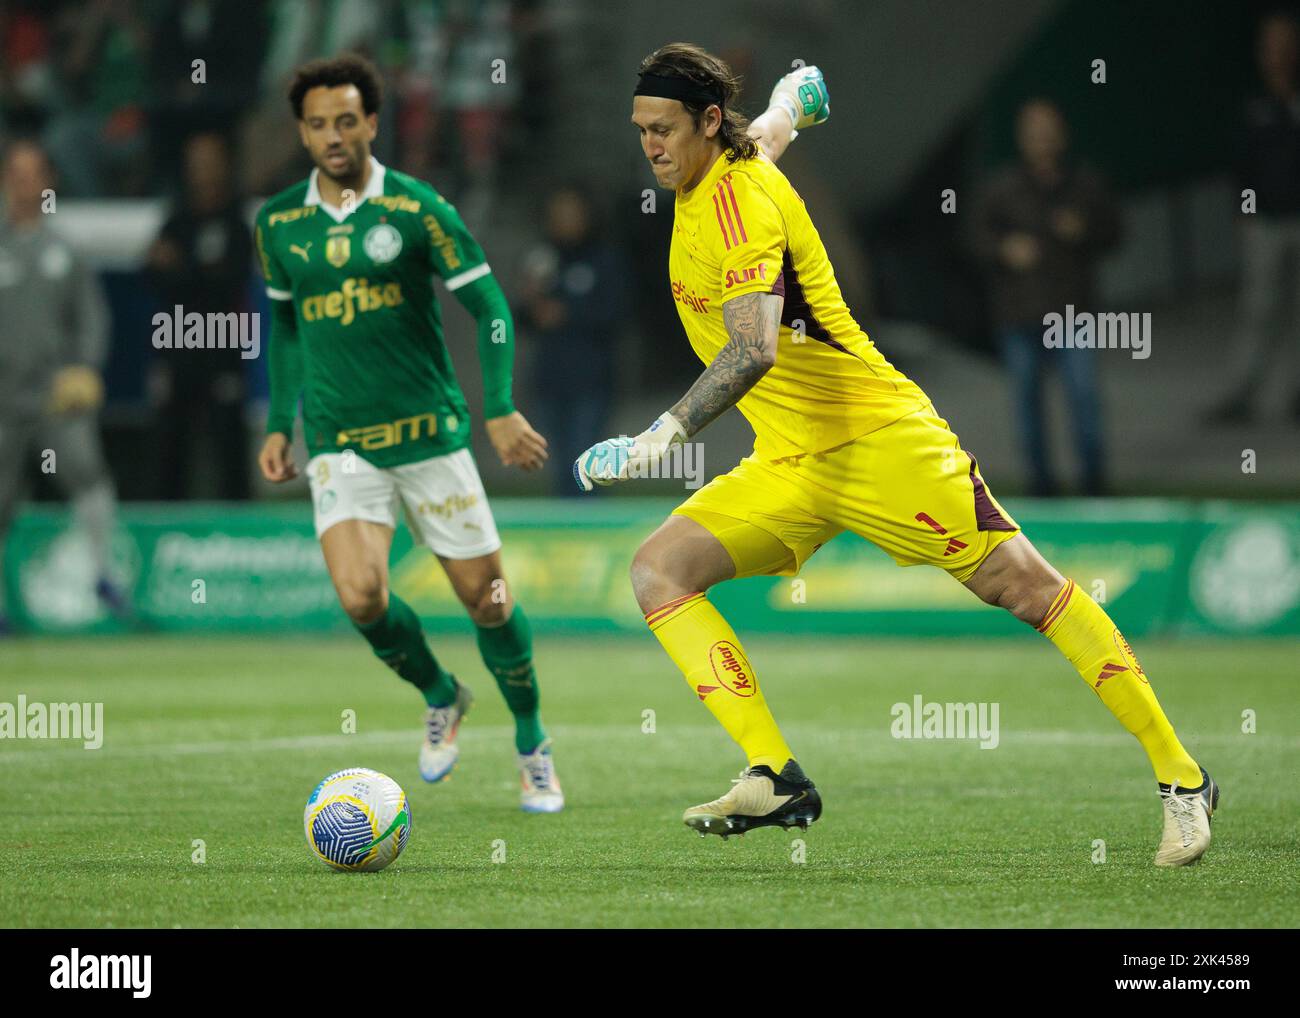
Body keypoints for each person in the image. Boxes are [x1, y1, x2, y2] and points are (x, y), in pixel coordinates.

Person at [575, 46, 1216, 866]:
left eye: (663, 129)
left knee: (1027, 588)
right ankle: (775, 775)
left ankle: (1182, 778)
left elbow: (752, 350)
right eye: (639, 131)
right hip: (790, 461)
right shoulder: (717, 167)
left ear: (705, 124)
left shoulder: (737, 204)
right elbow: (763, 137)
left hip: (880, 440)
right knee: (659, 572)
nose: (650, 146)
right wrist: (789, 104)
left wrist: (659, 438)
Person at [254, 54, 560, 813]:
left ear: (372, 123)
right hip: (338, 440)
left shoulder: (418, 209)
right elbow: (285, 323)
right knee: (361, 597)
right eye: (319, 123)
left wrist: (498, 405)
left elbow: (489, 305)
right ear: (302, 130)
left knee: (486, 599)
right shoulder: (278, 224)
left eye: (347, 120)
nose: (333, 135)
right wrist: (277, 420)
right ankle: (441, 693)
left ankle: (531, 742)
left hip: (430, 438)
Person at [0, 137, 126, 630]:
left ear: (48, 182)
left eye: (35, 173)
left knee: (87, 472)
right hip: (4, 399)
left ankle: (103, 572)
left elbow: (92, 319)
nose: (27, 182)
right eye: (18, 172)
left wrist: (86, 367)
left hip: (57, 396)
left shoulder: (64, 252)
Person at [971, 98, 1120, 496]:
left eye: (1048, 132)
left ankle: (1095, 491)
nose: (1042, 140)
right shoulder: (1002, 187)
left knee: (1084, 403)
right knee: (1027, 412)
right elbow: (973, 239)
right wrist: (1005, 249)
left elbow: (1115, 232)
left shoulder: (1084, 182)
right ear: (1022, 139)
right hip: (1019, 315)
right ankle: (1042, 493)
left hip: (1074, 315)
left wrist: (1082, 229)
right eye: (1034, 133)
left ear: (1062, 136)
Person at [146, 131, 253, 500]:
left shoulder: (236, 223)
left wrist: (182, 269)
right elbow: (151, 272)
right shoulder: (176, 220)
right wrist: (195, 271)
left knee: (229, 445)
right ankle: (164, 529)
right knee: (170, 445)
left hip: (223, 349)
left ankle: (235, 531)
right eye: (195, 163)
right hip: (178, 349)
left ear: (224, 166)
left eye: (209, 162)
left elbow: (227, 280)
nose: (201, 171)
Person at [1210, 11, 1300, 423]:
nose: (1277, 54)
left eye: (1285, 44)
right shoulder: (1252, 103)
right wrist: (1242, 212)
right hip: (1264, 223)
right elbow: (1242, 165)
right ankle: (1240, 395)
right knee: (1258, 310)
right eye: (1270, 46)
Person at [519, 184, 627, 494]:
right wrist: (530, 304)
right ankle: (566, 537)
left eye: (570, 214)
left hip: (591, 381)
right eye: (558, 214)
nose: (563, 220)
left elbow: (616, 313)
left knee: (589, 464)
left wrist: (567, 314)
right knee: (558, 464)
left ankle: (592, 532)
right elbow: (521, 318)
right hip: (549, 380)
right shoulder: (542, 258)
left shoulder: (604, 260)